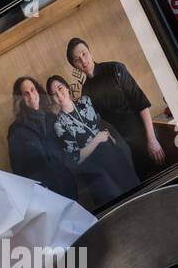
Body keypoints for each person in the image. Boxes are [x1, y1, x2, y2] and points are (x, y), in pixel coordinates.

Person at [67, 37, 165, 181]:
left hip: (144, 137)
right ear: (74, 66)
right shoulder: (85, 92)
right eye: (77, 59)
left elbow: (141, 103)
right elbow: (98, 128)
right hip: (122, 150)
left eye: (84, 53)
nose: (83, 61)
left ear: (89, 51)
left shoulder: (115, 69)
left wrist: (152, 139)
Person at [45, 74, 140, 210]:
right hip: (97, 167)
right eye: (54, 94)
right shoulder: (59, 124)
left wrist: (111, 137)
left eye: (60, 88)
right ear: (52, 99)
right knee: (122, 205)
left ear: (67, 87)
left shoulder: (85, 101)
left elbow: (101, 123)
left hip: (114, 154)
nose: (59, 95)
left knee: (136, 190)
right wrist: (96, 140)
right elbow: (75, 158)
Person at [6, 76, 77, 201]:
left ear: (38, 92)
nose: (31, 95)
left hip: (67, 186)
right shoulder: (16, 130)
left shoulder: (52, 118)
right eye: (25, 93)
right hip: (44, 195)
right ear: (21, 99)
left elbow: (67, 149)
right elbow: (18, 170)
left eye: (33, 90)